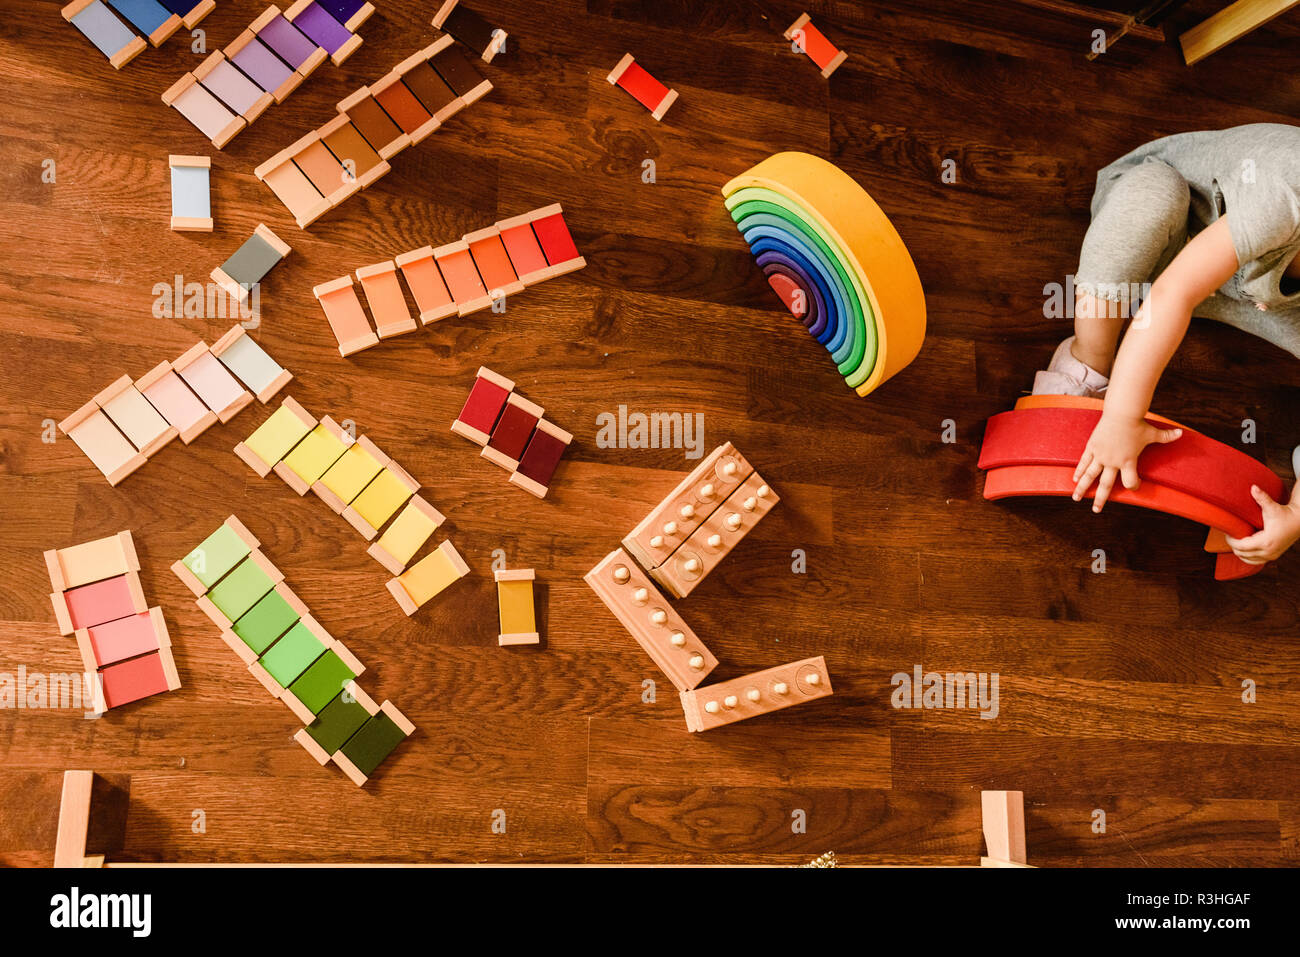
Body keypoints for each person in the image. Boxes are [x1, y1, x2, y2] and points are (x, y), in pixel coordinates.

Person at [1033, 124, 1300, 566]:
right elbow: (1172, 293)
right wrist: (1122, 417)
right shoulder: (1288, 185)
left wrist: (1295, 515)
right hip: (1174, 229)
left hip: (1246, 291)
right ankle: (1087, 359)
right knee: (1153, 196)